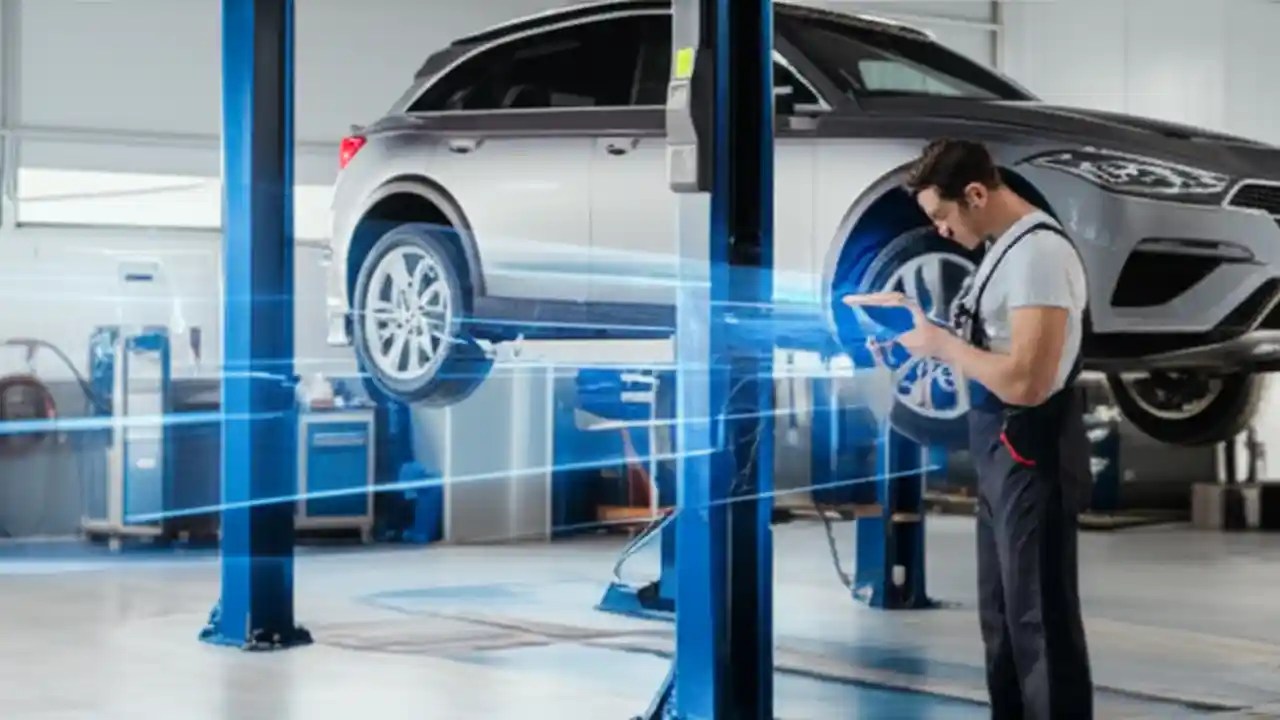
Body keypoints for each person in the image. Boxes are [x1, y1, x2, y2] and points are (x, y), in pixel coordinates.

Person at [847, 138, 1095, 718]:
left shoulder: (1038, 257)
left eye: (940, 215)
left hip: (1033, 456)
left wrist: (943, 346)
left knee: (1041, 628)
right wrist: (919, 327)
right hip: (1002, 457)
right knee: (1005, 627)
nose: (938, 231)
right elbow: (993, 345)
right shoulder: (1004, 250)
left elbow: (1028, 382)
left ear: (977, 194)